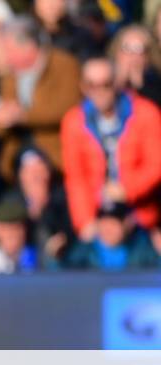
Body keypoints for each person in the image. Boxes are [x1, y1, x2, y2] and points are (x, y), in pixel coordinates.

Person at [60, 57, 161, 243]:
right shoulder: (74, 121)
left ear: (116, 83)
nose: (99, 91)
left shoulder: (146, 114)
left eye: (105, 84)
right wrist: (85, 222)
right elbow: (76, 177)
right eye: (91, 85)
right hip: (97, 214)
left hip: (140, 213)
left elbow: (156, 165)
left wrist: (127, 189)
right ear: (83, 87)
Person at [0, 15, 81, 181]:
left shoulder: (64, 65)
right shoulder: (9, 77)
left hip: (56, 155)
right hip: (18, 157)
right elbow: (0, 122)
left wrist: (23, 116)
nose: (6, 57)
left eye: (10, 50)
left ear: (28, 46)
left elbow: (68, 107)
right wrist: (0, 121)